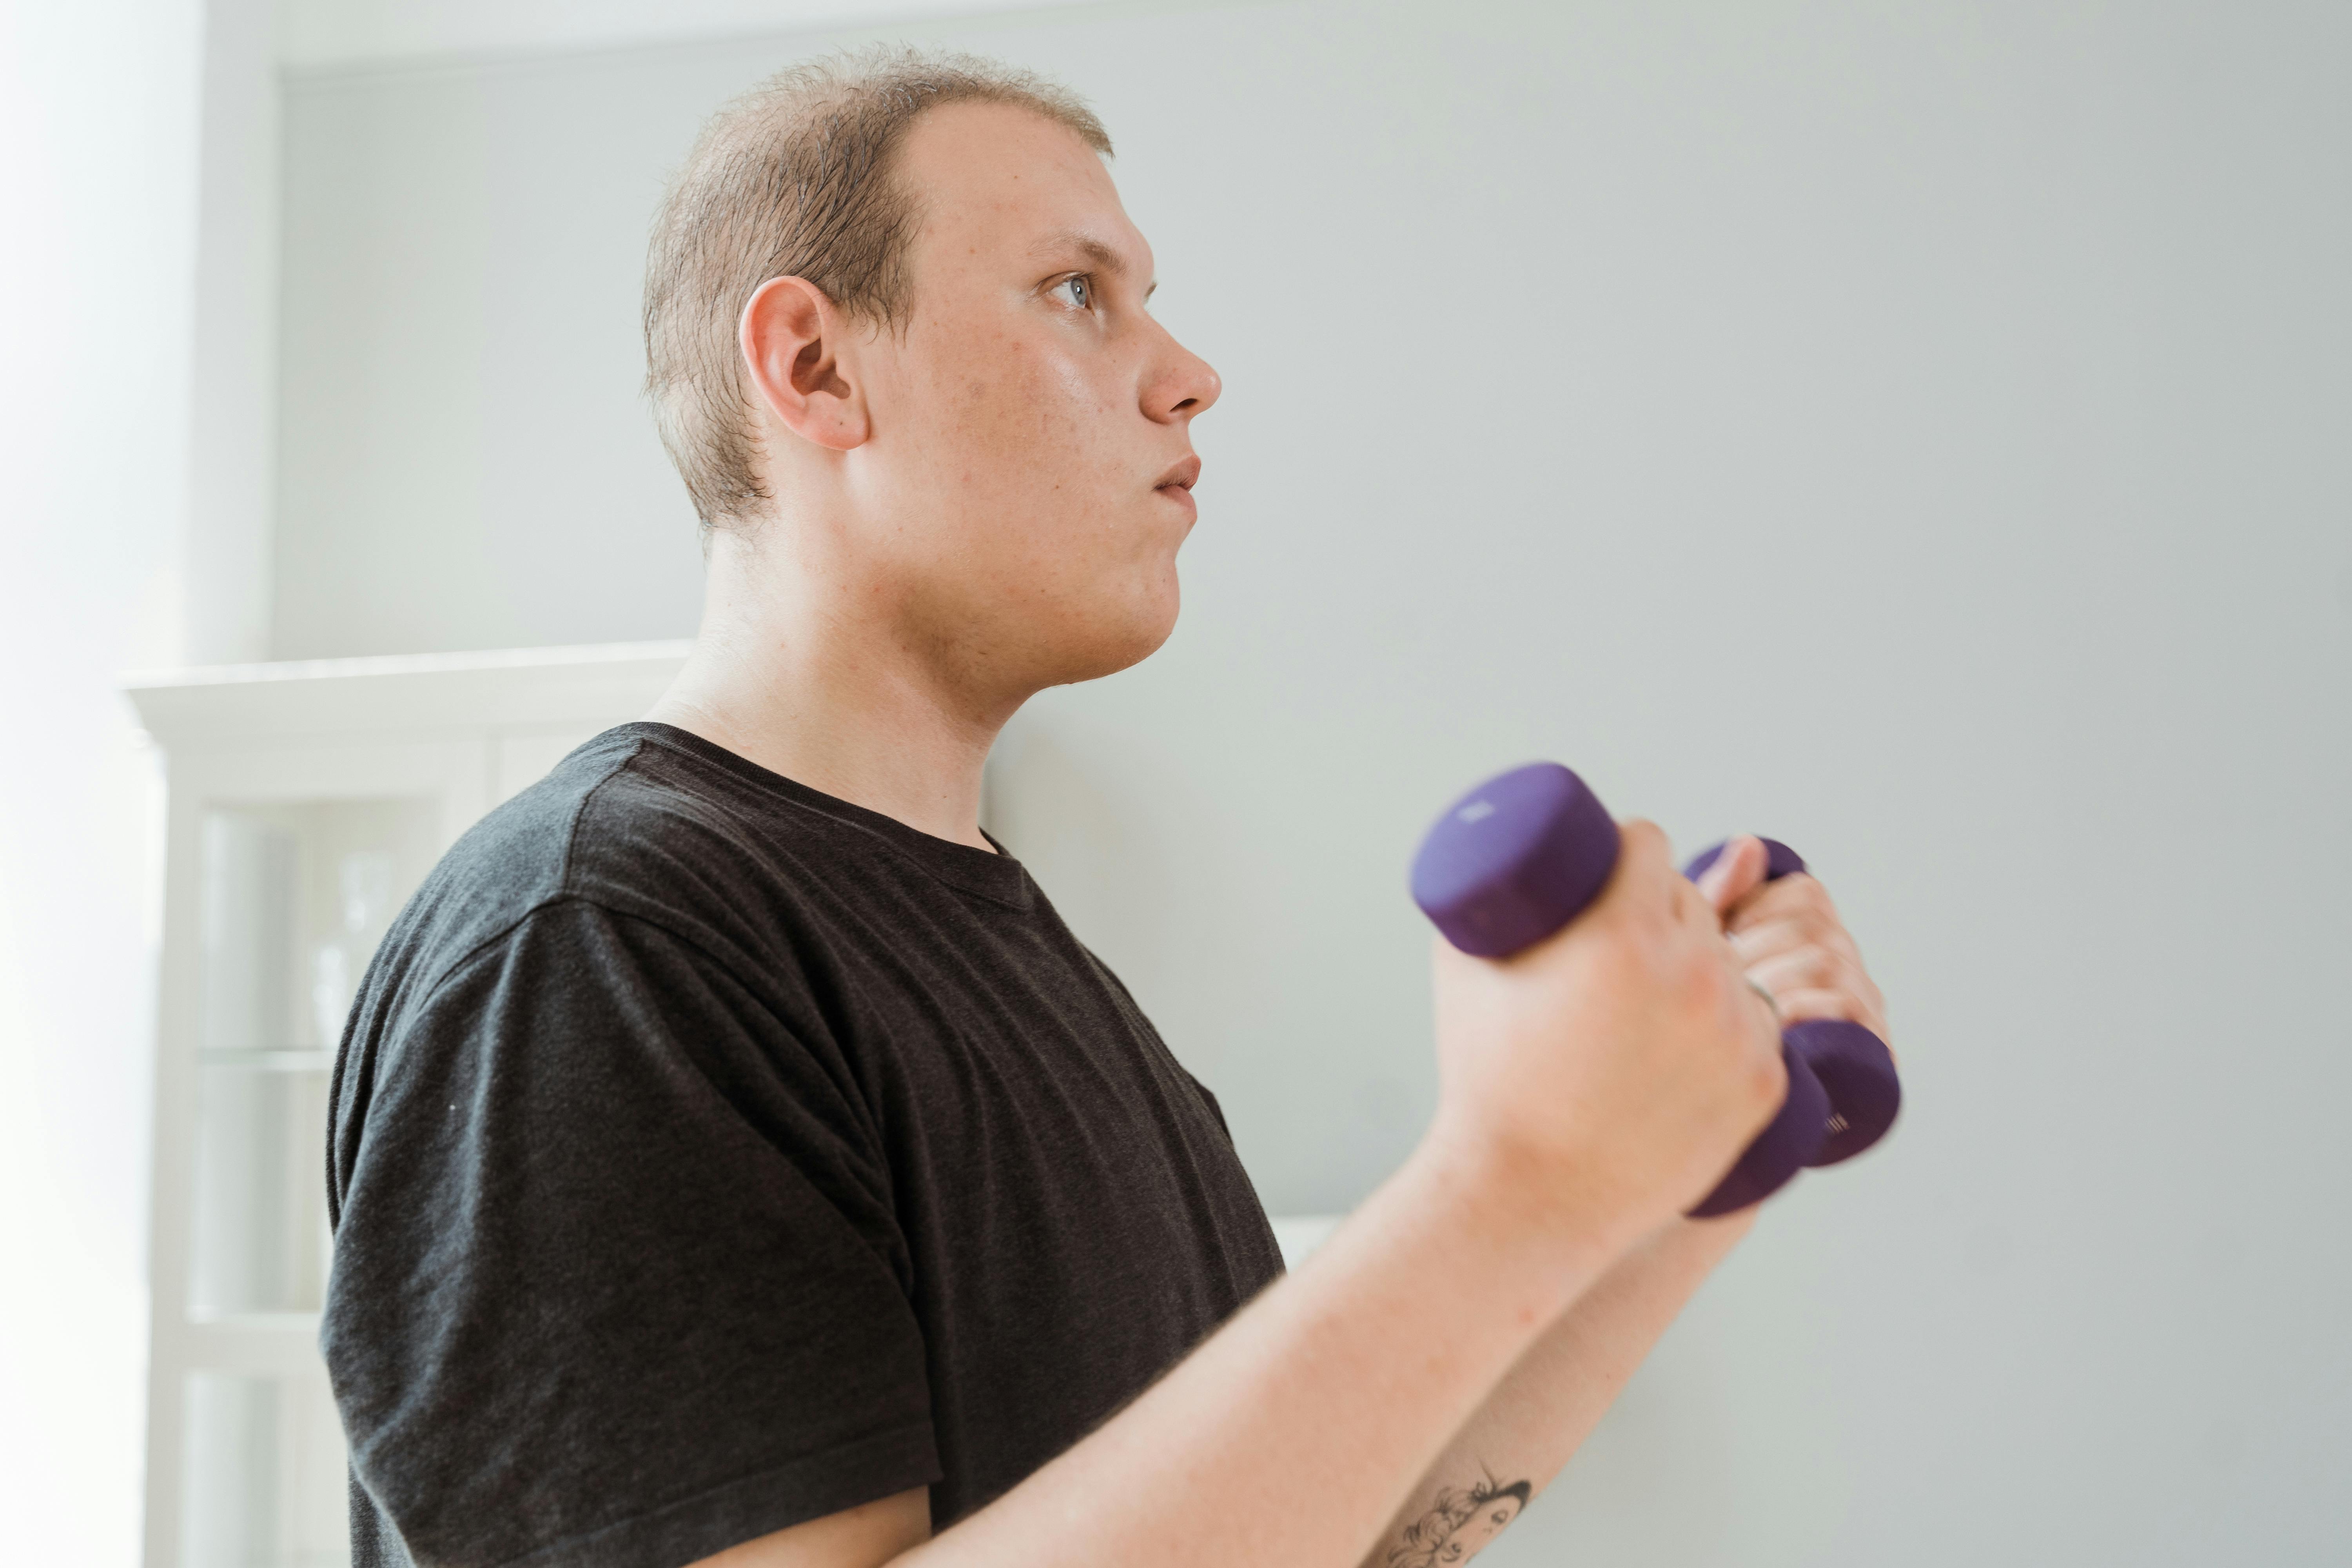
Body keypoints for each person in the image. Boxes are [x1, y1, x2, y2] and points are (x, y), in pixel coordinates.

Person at [321, 46, 1891, 1568]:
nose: (1191, 374)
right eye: (1080, 292)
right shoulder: (602, 943)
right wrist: (1503, 1184)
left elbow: (1328, 1539)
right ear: (814, 365)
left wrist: (1676, 1183)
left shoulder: (1024, 969)